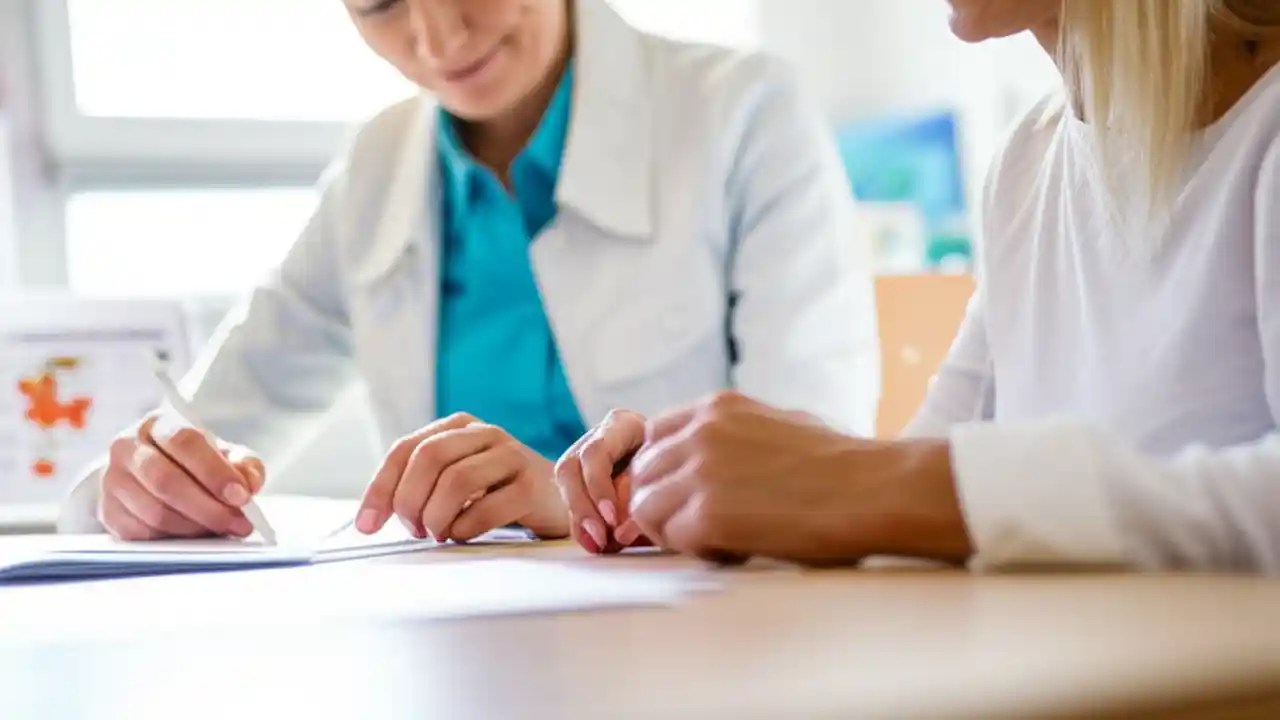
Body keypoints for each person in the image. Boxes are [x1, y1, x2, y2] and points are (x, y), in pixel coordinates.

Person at [57, 0, 879, 548]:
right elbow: (213, 416)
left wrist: (581, 507)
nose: (439, 38)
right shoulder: (377, 167)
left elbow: (812, 458)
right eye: (380, 0)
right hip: (460, 660)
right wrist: (145, 483)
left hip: (716, 647)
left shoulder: (745, 110)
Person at [559, 0, 1280, 571]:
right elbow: (917, 475)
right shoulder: (1028, 163)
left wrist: (848, 482)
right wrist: (674, 479)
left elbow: (913, 488)